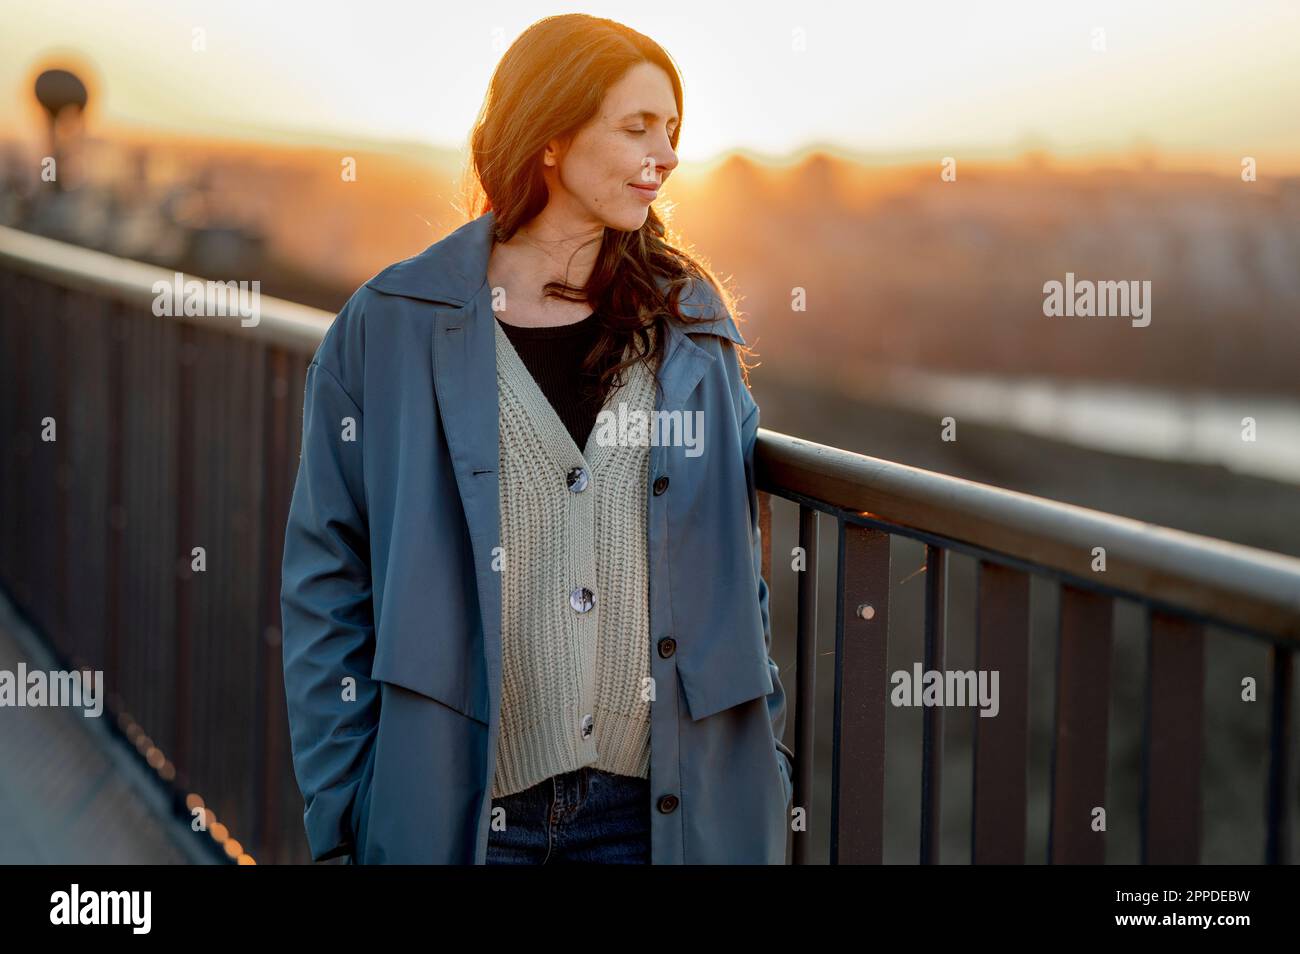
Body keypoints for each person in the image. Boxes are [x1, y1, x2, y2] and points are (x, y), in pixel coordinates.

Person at [280, 13, 793, 866]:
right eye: (636, 128)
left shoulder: (692, 329)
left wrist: (763, 762)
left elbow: (738, 573)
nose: (664, 155)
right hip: (460, 817)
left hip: (656, 819)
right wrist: (343, 804)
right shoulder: (392, 326)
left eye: (672, 131)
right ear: (550, 139)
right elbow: (328, 574)